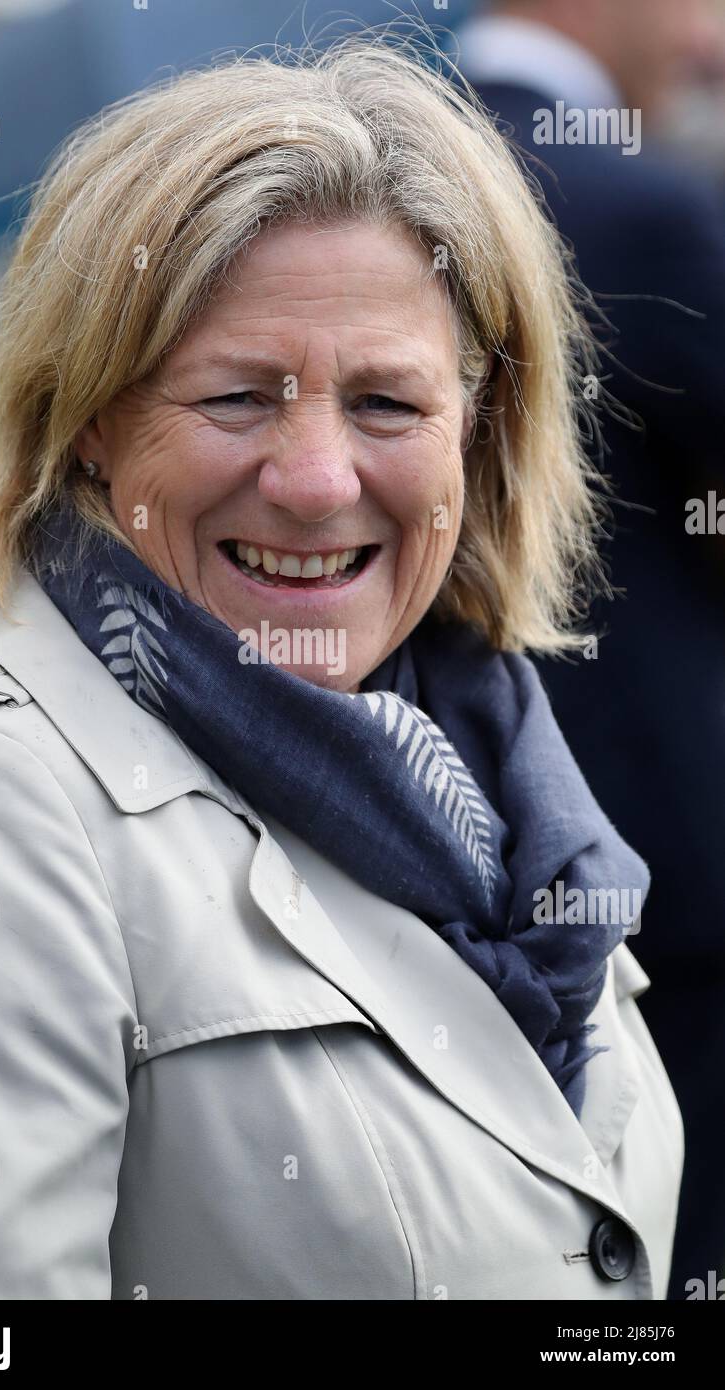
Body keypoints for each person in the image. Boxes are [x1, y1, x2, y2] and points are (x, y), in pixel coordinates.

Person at [0, 35, 683, 1300]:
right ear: (85, 422)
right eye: (238, 397)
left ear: (480, 432)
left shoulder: (508, 787)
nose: (312, 480)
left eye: (386, 406)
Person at [459, 0, 725, 1299]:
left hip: (437, 822)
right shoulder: (648, 207)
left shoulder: (397, 168)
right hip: (671, 848)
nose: (705, 33)